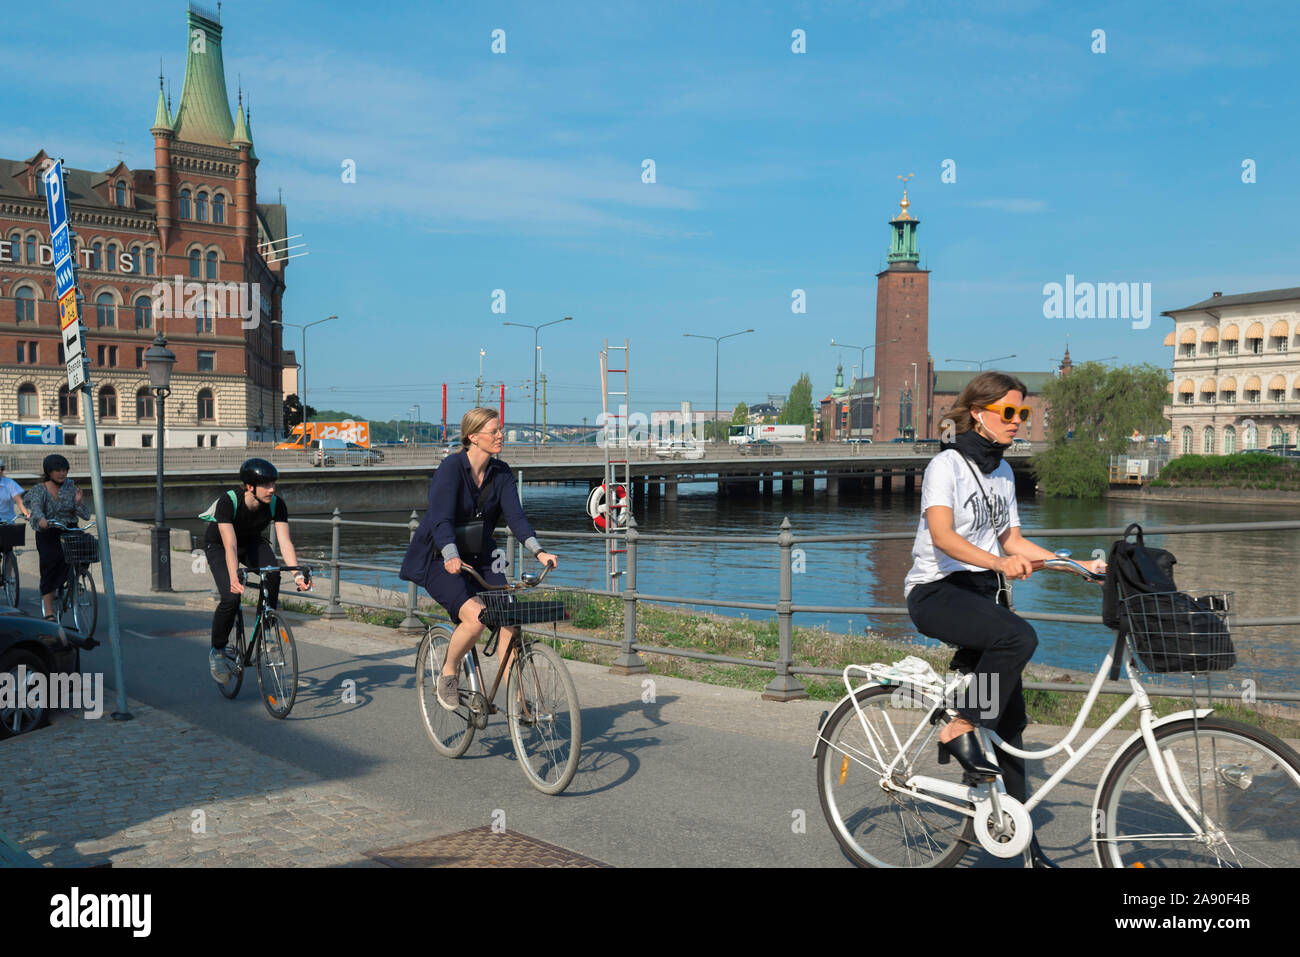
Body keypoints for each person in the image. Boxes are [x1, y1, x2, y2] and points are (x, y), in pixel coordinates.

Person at [902, 371, 1105, 868]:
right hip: (937, 591)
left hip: (981, 595)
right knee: (1019, 636)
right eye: (1008, 412)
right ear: (979, 413)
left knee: (1012, 729)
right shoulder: (946, 465)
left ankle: (1022, 846)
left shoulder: (1003, 473)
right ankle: (958, 724)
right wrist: (998, 563)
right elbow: (945, 537)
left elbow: (1013, 541)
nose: (1018, 422)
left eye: (1023, 413)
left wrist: (1076, 566)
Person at [400, 407, 557, 711]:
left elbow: (517, 518)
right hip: (440, 557)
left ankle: (519, 700)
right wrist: (450, 555)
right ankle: (448, 672)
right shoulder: (451, 468)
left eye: (501, 430)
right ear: (473, 437)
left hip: (483, 557)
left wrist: (539, 551)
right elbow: (441, 519)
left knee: (511, 618)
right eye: (494, 431)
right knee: (476, 619)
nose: (501, 436)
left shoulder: (502, 473)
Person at [204, 458, 309, 684]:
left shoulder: (276, 504)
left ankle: (267, 623)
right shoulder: (229, 501)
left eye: (274, 484)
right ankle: (218, 651)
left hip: (251, 541)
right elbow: (230, 545)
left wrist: (298, 575)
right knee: (231, 597)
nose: (272, 489)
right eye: (266, 485)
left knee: (272, 572)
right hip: (220, 545)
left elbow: (285, 542)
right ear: (250, 486)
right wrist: (233, 577)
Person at [26, 453, 92, 621]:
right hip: (49, 531)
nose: (63, 474)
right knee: (49, 566)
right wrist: (41, 520)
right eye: (58, 470)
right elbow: (36, 508)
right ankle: (49, 612)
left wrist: (78, 502)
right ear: (49, 472)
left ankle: (75, 577)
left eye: (65, 470)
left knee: (87, 546)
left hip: (68, 528)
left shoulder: (70, 487)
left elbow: (85, 515)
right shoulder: (39, 490)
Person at [0, 458, 31, 525]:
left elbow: (19, 501)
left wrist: (27, 514)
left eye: (2, 468)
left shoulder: (10, 483)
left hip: (7, 522)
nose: (0, 471)